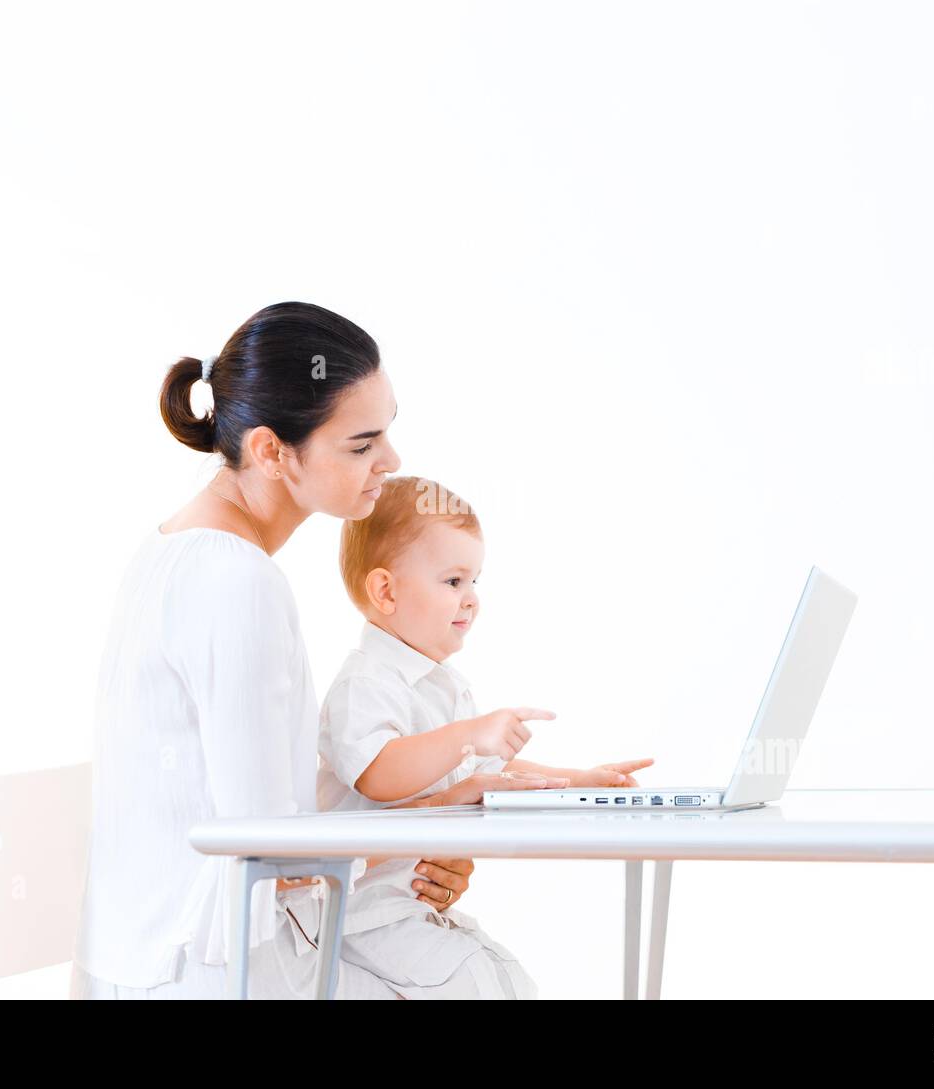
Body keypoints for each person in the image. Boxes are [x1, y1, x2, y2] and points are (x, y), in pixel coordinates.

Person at [69, 301, 567, 999]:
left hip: (158, 960)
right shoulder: (237, 580)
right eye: (361, 444)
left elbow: (273, 832)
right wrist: (443, 807)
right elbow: (271, 849)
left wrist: (418, 837)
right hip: (212, 975)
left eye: (388, 430)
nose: (390, 462)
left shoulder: (175, 553)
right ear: (272, 451)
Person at [314, 474, 655, 997]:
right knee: (475, 980)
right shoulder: (365, 684)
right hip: (362, 917)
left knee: (503, 976)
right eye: (453, 582)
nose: (471, 599)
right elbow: (379, 774)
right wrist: (470, 735)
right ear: (385, 590)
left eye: (475, 581)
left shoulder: (445, 687)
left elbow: (490, 777)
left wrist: (581, 779)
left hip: (412, 911)